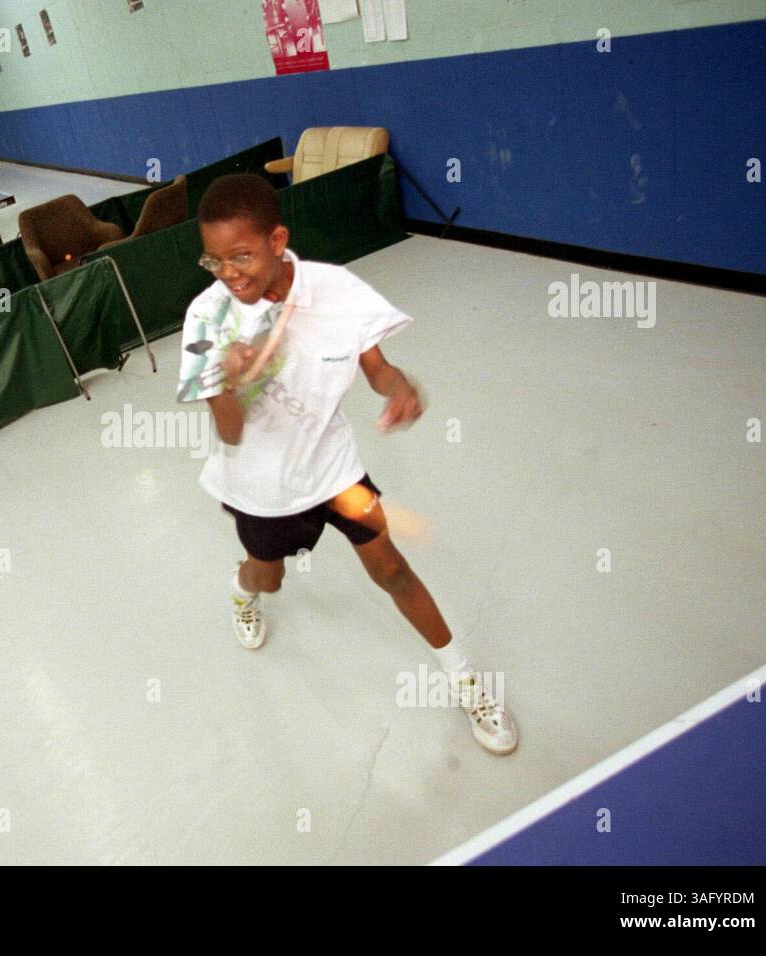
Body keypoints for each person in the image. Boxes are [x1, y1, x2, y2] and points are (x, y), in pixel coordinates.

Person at [176, 173, 517, 755]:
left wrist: (400, 386)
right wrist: (231, 382)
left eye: (242, 256)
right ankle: (240, 589)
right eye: (215, 260)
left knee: (394, 570)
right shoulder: (207, 320)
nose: (229, 274)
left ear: (277, 240)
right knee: (269, 579)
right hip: (261, 488)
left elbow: (377, 368)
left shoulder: (337, 290)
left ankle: (465, 682)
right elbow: (228, 433)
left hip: (336, 475)